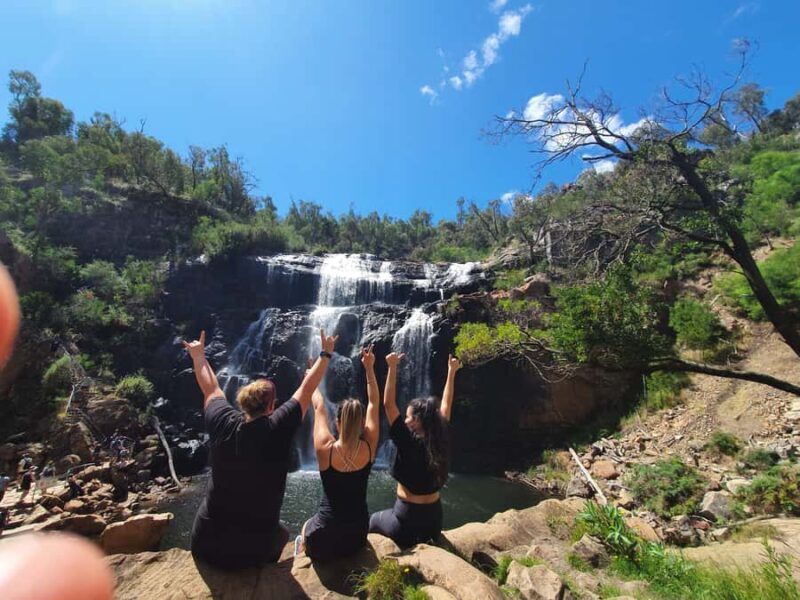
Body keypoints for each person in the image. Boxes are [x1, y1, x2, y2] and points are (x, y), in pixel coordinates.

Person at [184, 328, 336, 570]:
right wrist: (325, 354)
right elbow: (307, 390)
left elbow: (210, 388)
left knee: (277, 531)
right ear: (272, 406)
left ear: (242, 402)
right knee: (282, 533)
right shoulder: (277, 427)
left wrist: (198, 356)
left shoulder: (221, 420)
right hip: (253, 551)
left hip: (205, 543)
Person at [368, 353, 461, 548]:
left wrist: (392, 366)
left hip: (405, 523)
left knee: (373, 520)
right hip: (434, 523)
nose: (405, 420)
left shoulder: (407, 441)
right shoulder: (440, 437)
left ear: (417, 421)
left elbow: (388, 404)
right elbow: (446, 405)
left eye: (408, 416)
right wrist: (452, 372)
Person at [298, 345, 380, 561]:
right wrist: (369, 368)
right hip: (357, 534)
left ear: (337, 422)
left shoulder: (325, 449)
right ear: (362, 423)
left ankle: (301, 550)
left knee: (306, 525)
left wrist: (311, 376)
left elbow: (319, 407)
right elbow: (374, 403)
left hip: (324, 535)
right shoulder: (369, 446)